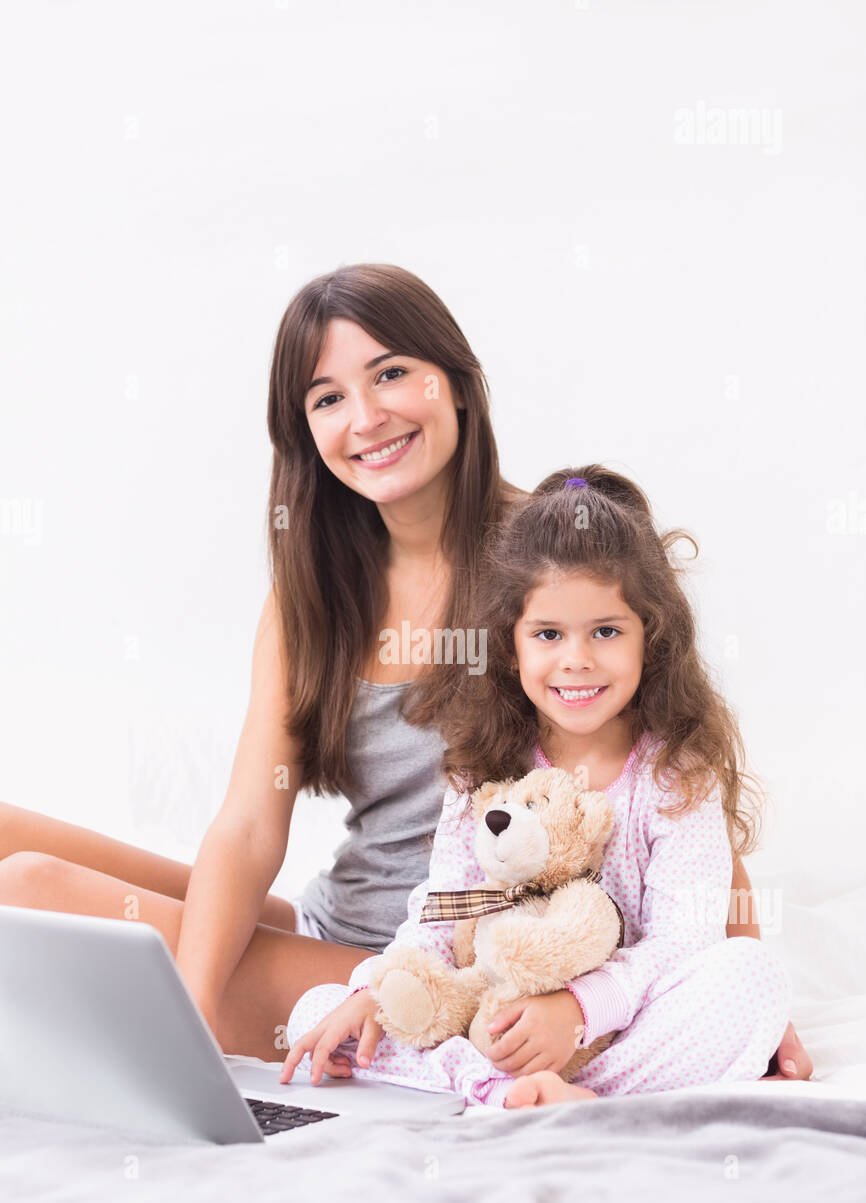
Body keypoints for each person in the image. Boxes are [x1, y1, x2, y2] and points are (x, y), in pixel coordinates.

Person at [0, 265, 808, 1076]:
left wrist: (744, 991)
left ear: (456, 384)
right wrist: (196, 1008)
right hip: (343, 934)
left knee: (29, 890)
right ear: (304, 431)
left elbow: (677, 763)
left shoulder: (550, 560)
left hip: (460, 968)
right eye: (327, 398)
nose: (367, 417)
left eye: (390, 373)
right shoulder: (311, 594)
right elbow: (248, 827)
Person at [280, 466, 796, 1107]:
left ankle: (552, 1092)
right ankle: (508, 1089)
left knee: (750, 979)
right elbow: (440, 913)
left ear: (650, 638)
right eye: (548, 634)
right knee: (317, 1012)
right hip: (498, 1022)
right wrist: (371, 992)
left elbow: (681, 941)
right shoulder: (481, 769)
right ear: (510, 645)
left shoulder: (676, 774)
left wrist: (576, 1009)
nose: (576, 659)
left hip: (621, 1021)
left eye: (606, 631)